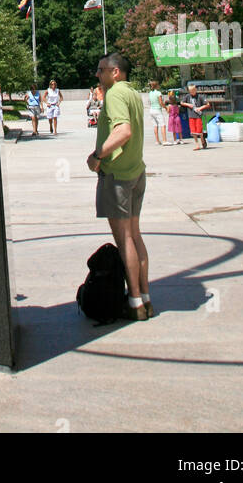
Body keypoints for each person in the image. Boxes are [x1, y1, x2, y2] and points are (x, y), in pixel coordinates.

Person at [86, 52, 151, 320]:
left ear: (115, 72)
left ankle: (134, 301)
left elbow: (123, 131)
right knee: (135, 235)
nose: (97, 75)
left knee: (124, 239)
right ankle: (145, 297)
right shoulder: (133, 93)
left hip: (118, 176)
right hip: (137, 172)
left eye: (101, 70)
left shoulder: (114, 94)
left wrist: (98, 155)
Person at [181, 84, 212, 151]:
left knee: (199, 130)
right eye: (190, 91)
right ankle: (197, 145)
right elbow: (182, 102)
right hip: (191, 115)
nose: (191, 92)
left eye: (192, 91)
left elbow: (207, 104)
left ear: (195, 90)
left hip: (198, 116)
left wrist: (200, 108)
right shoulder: (187, 96)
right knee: (193, 131)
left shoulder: (200, 96)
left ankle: (202, 140)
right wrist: (188, 104)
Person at [148, 79, 167, 146]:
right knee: (163, 125)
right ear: (156, 86)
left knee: (155, 125)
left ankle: (157, 140)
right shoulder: (158, 93)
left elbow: (149, 102)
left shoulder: (150, 93)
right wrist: (166, 108)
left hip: (151, 110)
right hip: (157, 110)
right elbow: (161, 102)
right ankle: (164, 140)